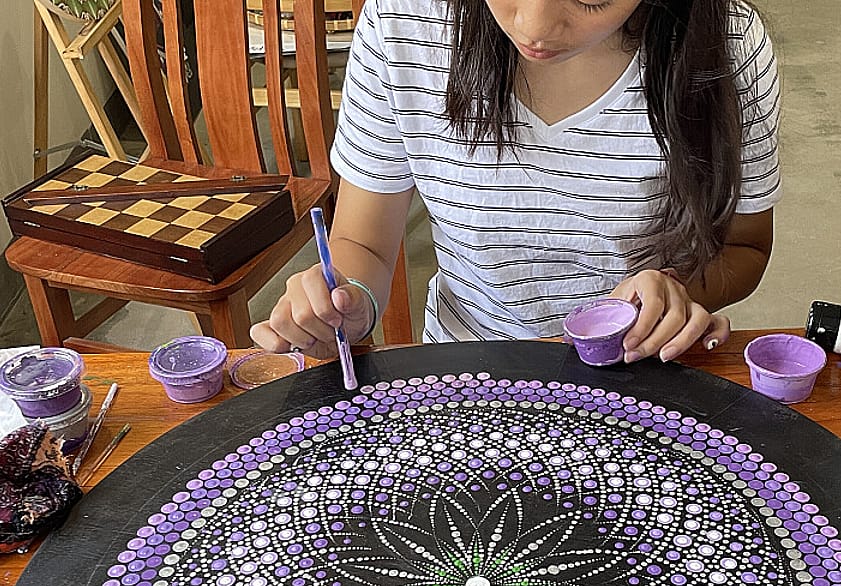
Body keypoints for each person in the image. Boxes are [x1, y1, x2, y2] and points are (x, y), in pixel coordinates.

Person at [251, 0, 781, 363]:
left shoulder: (727, 47)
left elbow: (746, 248)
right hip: (468, 375)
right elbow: (362, 242)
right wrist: (345, 302)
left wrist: (677, 290)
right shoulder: (404, 23)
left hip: (640, 373)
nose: (535, 28)